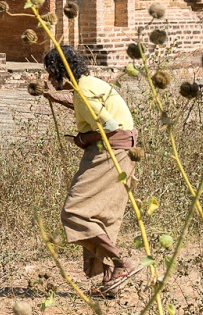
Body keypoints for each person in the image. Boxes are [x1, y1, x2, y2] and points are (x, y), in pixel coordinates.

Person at [37, 45, 143, 296]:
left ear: (59, 71)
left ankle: (121, 262)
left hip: (110, 152)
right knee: (102, 215)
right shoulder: (90, 84)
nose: (51, 81)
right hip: (121, 150)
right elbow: (86, 106)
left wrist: (82, 140)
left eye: (52, 75)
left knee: (74, 212)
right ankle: (110, 281)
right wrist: (54, 97)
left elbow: (109, 126)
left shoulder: (83, 91)